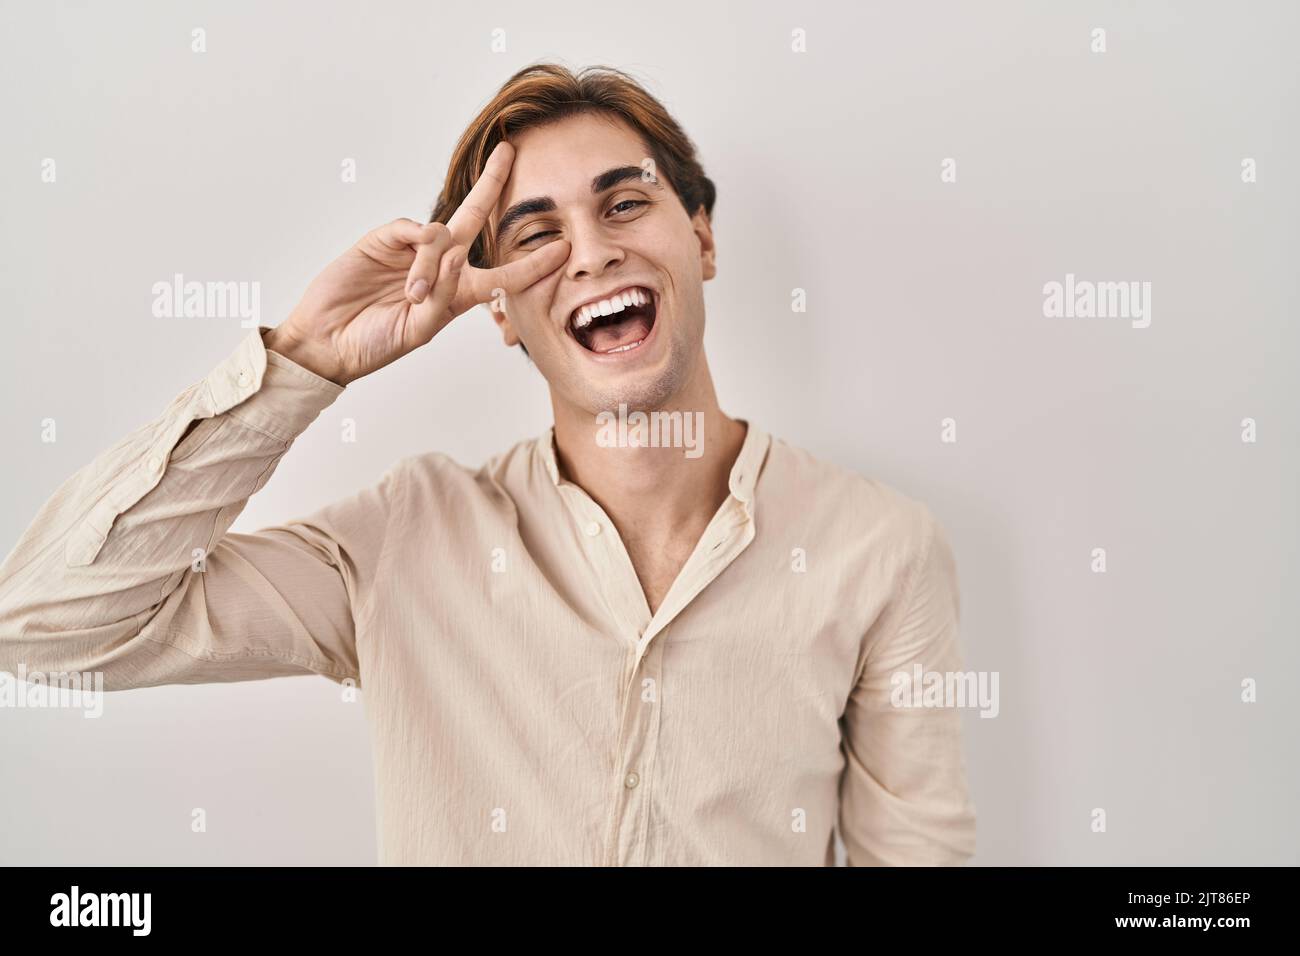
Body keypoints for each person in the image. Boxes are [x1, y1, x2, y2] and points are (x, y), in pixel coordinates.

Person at [0, 63, 976, 866]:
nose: (589, 255)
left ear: (702, 235)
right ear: (498, 309)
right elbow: (43, 629)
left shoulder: (876, 547)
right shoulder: (404, 539)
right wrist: (304, 361)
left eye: (625, 203)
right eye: (536, 234)